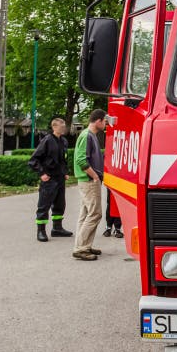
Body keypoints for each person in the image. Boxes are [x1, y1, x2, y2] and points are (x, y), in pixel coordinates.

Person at [28, 118, 73, 242]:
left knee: (60, 204)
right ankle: (41, 231)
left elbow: (63, 159)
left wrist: (65, 172)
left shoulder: (63, 141)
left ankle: (57, 229)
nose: (64, 128)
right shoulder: (47, 140)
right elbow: (33, 160)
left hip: (60, 178)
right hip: (49, 179)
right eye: (61, 126)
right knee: (44, 205)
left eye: (64, 126)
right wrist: (41, 173)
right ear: (54, 127)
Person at [73, 109, 106, 261]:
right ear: (98, 121)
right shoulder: (87, 135)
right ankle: (81, 248)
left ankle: (84, 245)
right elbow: (81, 160)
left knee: (86, 214)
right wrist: (95, 176)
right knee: (95, 213)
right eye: (104, 121)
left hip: (86, 180)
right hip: (89, 180)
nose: (105, 124)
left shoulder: (89, 135)